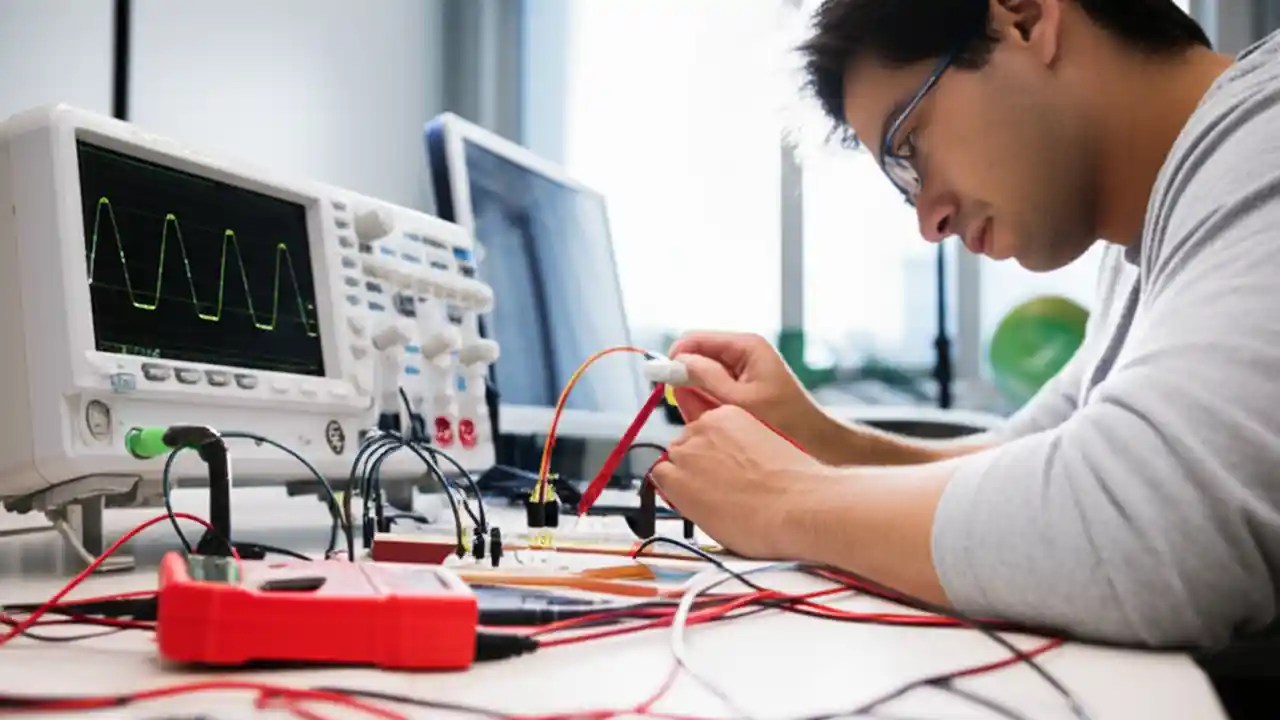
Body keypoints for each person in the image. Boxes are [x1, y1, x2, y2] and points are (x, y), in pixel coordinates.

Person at [650, 0, 1280, 650]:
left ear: (1025, 18)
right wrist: (814, 442)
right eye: (904, 182)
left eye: (912, 145)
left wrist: (781, 500)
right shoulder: (1154, 232)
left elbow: (1148, 533)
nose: (929, 222)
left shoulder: (1265, 143)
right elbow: (1034, 452)